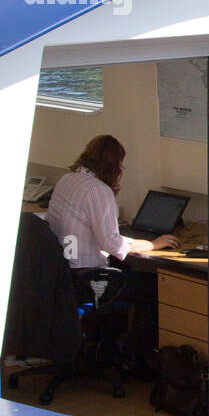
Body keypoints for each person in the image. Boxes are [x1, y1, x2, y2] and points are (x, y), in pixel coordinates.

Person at [46, 135, 179, 373]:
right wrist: (153, 245)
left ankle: (106, 348)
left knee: (128, 273)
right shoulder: (99, 191)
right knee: (153, 287)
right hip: (89, 278)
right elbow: (111, 244)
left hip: (63, 273)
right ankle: (132, 358)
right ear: (114, 166)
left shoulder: (67, 179)